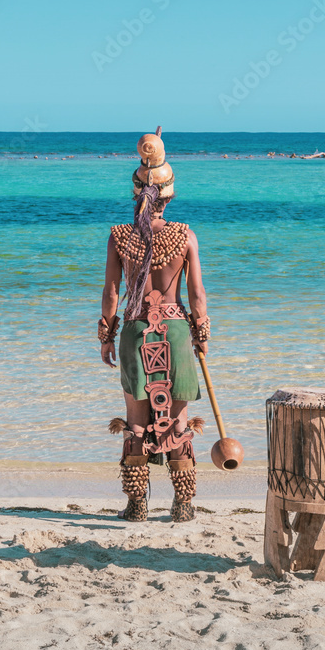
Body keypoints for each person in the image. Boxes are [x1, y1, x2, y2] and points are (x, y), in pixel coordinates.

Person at [98, 128, 210, 522]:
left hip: (134, 331)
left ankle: (137, 504)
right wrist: (201, 332)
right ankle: (183, 505)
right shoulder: (185, 236)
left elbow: (113, 295)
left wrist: (106, 335)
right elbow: (196, 295)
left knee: (136, 422)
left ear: (135, 193)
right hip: (176, 331)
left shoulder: (119, 237)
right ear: (170, 194)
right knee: (176, 422)